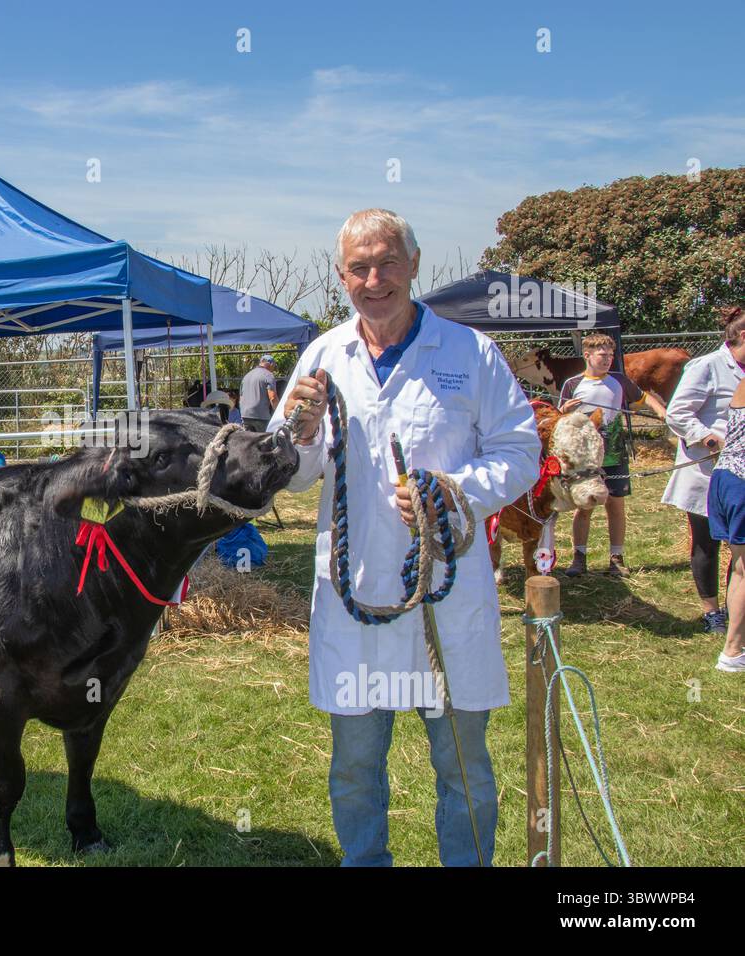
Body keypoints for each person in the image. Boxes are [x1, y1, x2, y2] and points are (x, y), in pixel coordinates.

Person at [268, 208, 539, 866]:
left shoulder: (470, 352)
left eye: (388, 261)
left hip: (443, 604)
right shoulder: (323, 356)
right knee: (356, 770)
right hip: (355, 599)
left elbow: (520, 449)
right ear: (341, 277)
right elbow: (290, 473)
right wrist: (297, 437)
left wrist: (452, 490)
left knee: (463, 770)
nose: (375, 277)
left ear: (415, 264)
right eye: (359, 267)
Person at [662, 305, 745, 633]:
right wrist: (709, 439)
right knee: (707, 541)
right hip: (706, 473)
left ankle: (734, 605)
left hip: (739, 472)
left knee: (739, 543)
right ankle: (712, 612)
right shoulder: (707, 367)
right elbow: (677, 413)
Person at [558, 333, 667, 577]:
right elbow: (561, 418)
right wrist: (564, 410)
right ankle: (579, 557)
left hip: (615, 453)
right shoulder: (573, 384)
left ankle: (616, 558)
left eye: (610, 355)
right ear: (587, 355)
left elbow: (643, 398)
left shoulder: (619, 380)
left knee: (616, 505)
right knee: (584, 506)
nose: (607, 359)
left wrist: (660, 409)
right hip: (586, 457)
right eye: (602, 355)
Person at [707, 374, 745, 672]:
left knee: (740, 567)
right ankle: (732, 651)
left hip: (726, 477)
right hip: (740, 482)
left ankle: (735, 648)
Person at [240, 354, 279, 432]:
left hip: (245, 415)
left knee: (250, 442)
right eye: (274, 366)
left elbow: (241, 397)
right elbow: (273, 398)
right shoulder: (268, 375)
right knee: (265, 442)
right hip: (261, 416)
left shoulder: (247, 376)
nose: (273, 369)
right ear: (270, 364)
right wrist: (279, 413)